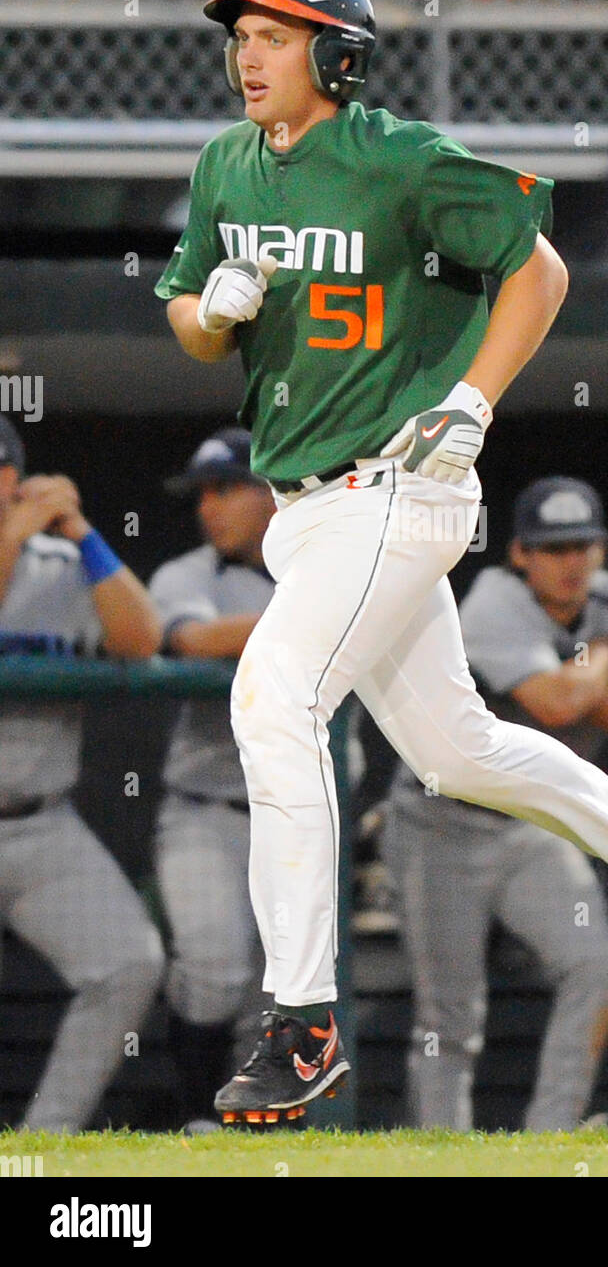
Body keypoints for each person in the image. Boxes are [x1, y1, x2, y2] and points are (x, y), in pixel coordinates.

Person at [154, 0, 608, 1127]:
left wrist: (472, 398)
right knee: (456, 751)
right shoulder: (225, 163)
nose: (248, 55)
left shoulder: (400, 157)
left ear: (337, 52)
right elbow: (185, 321)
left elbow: (540, 269)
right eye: (242, 35)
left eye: (275, 35)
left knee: (270, 702)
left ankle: (302, 1021)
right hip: (305, 507)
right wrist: (205, 315)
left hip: (396, 484)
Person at [385, 477, 608, 1130]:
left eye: (583, 545)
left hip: (534, 824)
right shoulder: (492, 601)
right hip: (440, 821)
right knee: (450, 1014)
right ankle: (442, 1159)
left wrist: (580, 685)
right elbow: (554, 705)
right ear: (520, 553)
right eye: (553, 548)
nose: (571, 562)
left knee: (593, 964)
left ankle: (550, 1140)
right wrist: (601, 658)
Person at [0, 416, 164, 1131]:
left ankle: (48, 1140)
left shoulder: (58, 566)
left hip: (39, 826)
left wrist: (82, 533)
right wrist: (10, 537)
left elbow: (141, 639)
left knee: (129, 962)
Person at [149, 427, 277, 1129]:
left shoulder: (319, 563)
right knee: (213, 968)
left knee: (277, 994)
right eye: (202, 492)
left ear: (274, 488)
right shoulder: (185, 574)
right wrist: (314, 618)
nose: (209, 506)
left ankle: (248, 1138)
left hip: (304, 818)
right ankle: (193, 1114)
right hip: (206, 809)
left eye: (227, 487)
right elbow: (190, 639)